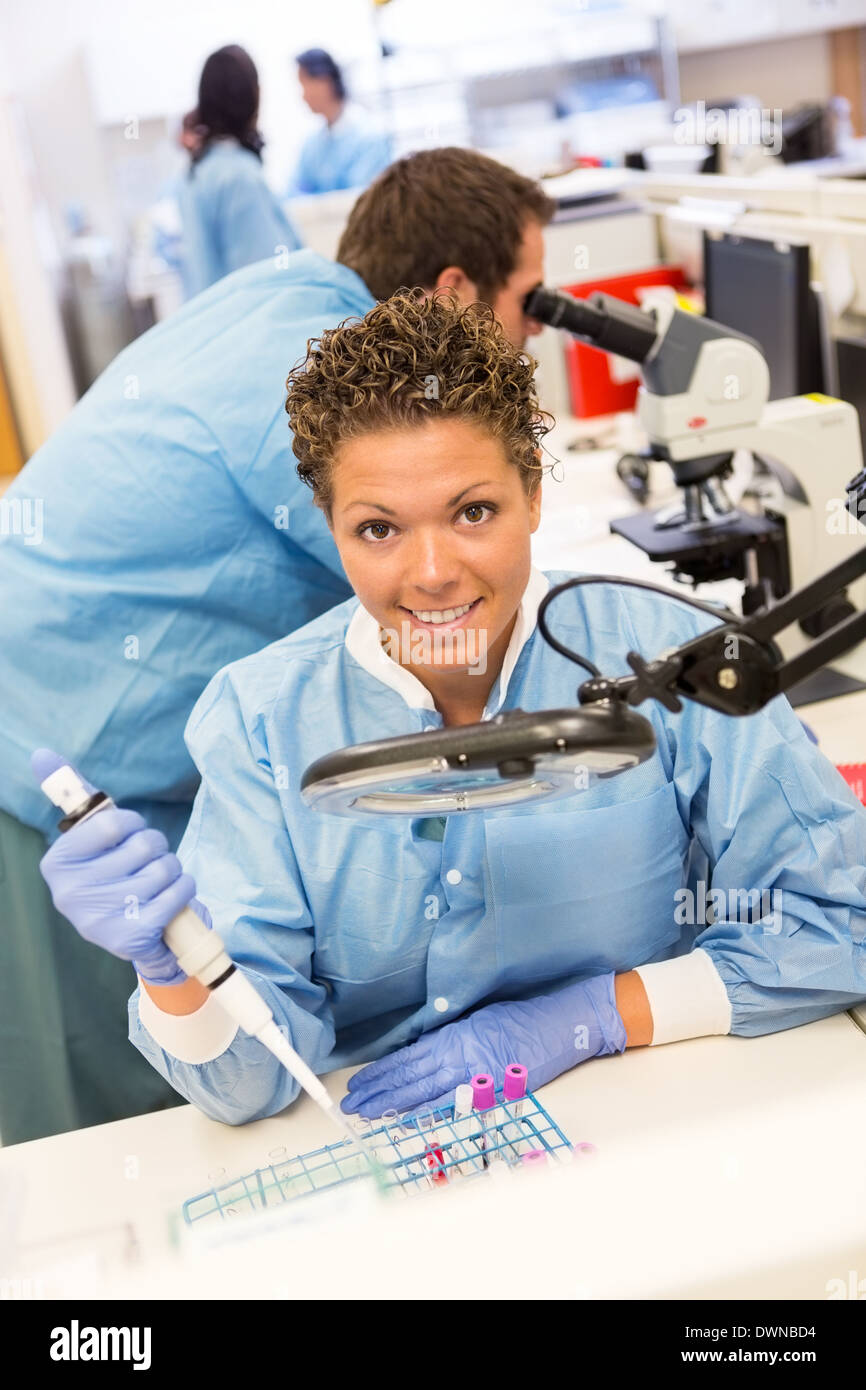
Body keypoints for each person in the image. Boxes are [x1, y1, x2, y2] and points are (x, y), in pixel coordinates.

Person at [40, 290, 866, 1128]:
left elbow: (844, 924)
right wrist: (170, 968)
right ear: (329, 526)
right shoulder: (260, 721)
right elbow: (252, 1083)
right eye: (378, 529)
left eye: (473, 512)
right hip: (387, 1143)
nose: (431, 571)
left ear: (534, 494)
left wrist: (595, 1015)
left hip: (651, 1115)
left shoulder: (678, 661)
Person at [0, 148, 554, 1143]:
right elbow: (448, 616)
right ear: (456, 292)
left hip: (81, 718)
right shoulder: (317, 390)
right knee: (104, 1122)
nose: (528, 343)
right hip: (36, 764)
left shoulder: (287, 298)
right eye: (528, 305)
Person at [178, 45, 302, 299]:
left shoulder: (200, 170)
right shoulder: (239, 178)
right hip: (251, 328)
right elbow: (270, 283)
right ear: (252, 96)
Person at [288, 48, 391, 196]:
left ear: (325, 81)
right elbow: (294, 193)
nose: (303, 96)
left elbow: (362, 197)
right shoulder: (311, 146)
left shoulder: (370, 138)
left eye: (305, 84)